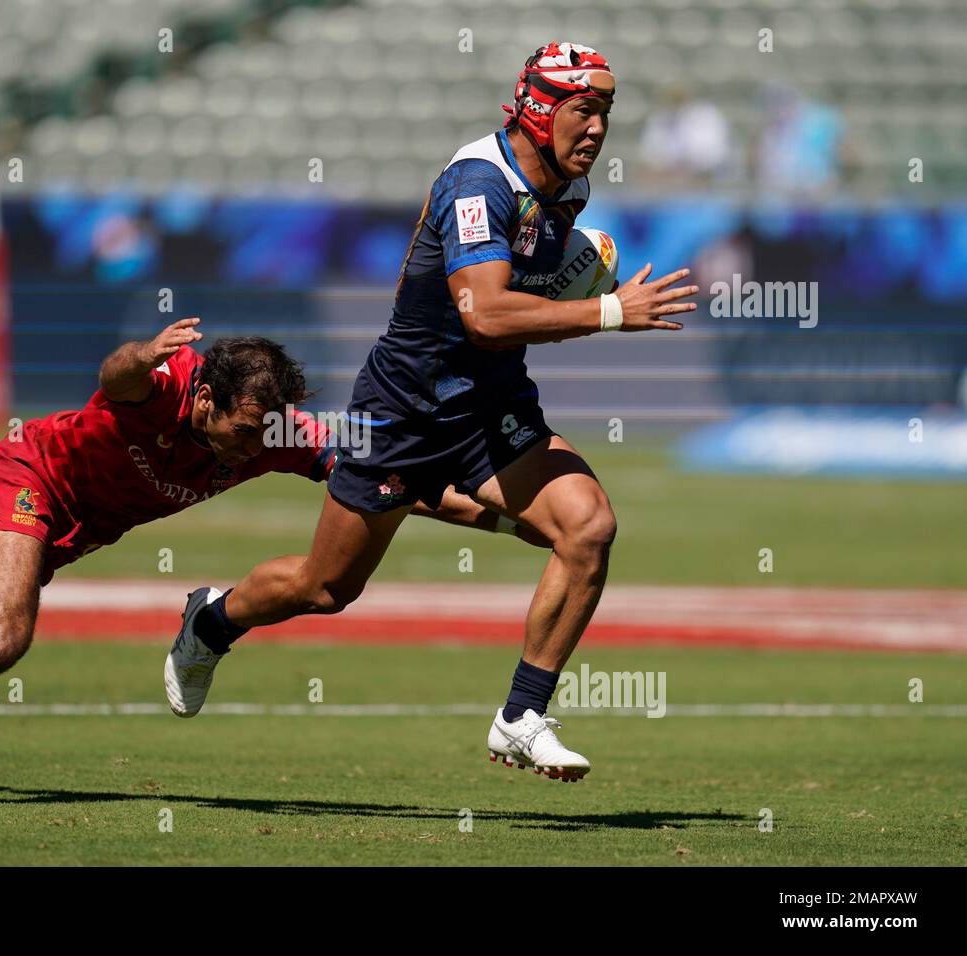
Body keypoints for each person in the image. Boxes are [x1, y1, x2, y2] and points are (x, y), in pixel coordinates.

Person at [164, 44, 699, 783]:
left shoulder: (567, 187)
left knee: (588, 528)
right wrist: (607, 309)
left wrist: (574, 276)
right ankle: (211, 622)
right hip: (404, 411)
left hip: (491, 408)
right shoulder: (480, 182)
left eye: (606, 112)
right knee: (326, 588)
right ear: (540, 108)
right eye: (584, 110)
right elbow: (483, 314)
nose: (598, 129)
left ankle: (522, 716)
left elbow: (519, 300)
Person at [0, 319, 535, 800]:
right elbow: (114, 375)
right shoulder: (162, 387)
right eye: (245, 431)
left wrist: (507, 521)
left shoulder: (275, 431)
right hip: (31, 475)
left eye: (271, 431)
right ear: (202, 400)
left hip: (84, 524)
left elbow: (397, 485)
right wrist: (143, 353)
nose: (259, 447)